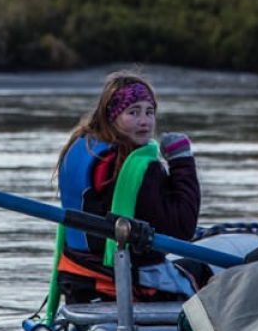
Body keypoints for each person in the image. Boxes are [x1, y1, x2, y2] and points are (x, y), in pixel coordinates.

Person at [52, 71, 205, 303]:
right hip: (125, 286)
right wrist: (181, 160)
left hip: (78, 278)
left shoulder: (82, 145)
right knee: (203, 271)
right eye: (133, 112)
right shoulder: (136, 167)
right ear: (112, 116)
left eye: (149, 112)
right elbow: (181, 229)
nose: (144, 121)